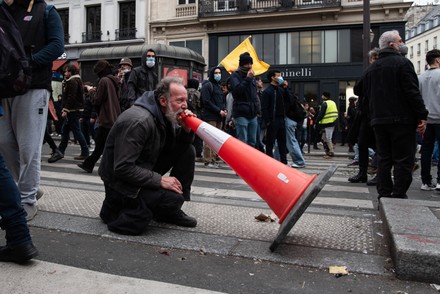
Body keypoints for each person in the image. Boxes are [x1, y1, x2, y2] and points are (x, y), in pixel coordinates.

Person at [98, 77, 197, 236]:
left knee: (188, 151)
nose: (185, 105)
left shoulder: (167, 113)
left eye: (186, 100)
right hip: (119, 183)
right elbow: (122, 168)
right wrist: (159, 180)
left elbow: (177, 147)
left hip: (143, 167)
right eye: (180, 100)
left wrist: (186, 130)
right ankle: (116, 206)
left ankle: (169, 210)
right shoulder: (139, 120)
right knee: (172, 199)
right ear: (163, 100)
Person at [0, 0, 64, 221]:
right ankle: (31, 186)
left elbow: (57, 46)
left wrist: (27, 63)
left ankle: (27, 199)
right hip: (5, 88)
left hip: (33, 86)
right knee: (4, 143)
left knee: (29, 147)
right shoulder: (3, 10)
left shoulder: (45, 10)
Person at [362, 30, 428, 200]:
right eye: (399, 41)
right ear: (392, 44)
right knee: (403, 158)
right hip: (401, 118)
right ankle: (398, 193)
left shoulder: (372, 68)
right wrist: (421, 114)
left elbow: (367, 96)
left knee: (384, 158)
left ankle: (383, 193)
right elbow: (412, 91)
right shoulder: (403, 63)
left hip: (379, 120)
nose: (402, 43)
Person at [77, 60, 121, 174]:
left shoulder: (104, 81)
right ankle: (88, 164)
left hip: (106, 118)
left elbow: (97, 100)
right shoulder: (114, 80)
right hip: (114, 116)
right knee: (102, 146)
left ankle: (106, 167)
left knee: (103, 146)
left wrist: (91, 91)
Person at [348, 48, 379, 184]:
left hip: (376, 112)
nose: (374, 61)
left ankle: (376, 172)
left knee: (377, 144)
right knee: (362, 143)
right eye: (373, 59)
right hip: (369, 112)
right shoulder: (370, 72)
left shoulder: (372, 71)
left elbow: (357, 89)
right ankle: (363, 172)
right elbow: (358, 89)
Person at [49, 64, 90, 163]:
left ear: (71, 72)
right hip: (73, 110)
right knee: (65, 130)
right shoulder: (74, 81)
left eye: (67, 71)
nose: (65, 73)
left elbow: (71, 97)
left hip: (72, 111)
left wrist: (65, 109)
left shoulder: (72, 81)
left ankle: (85, 152)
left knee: (76, 131)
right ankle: (60, 151)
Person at [419, 49, 440, 190]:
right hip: (439, 117)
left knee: (426, 150)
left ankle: (425, 181)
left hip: (426, 120)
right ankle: (439, 181)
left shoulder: (420, 77)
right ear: (437, 59)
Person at [229, 52, 260, 147]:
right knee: (242, 141)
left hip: (253, 113)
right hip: (241, 113)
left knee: (252, 141)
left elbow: (254, 95)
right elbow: (237, 91)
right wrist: (248, 79)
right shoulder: (235, 75)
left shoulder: (252, 77)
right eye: (247, 64)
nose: (249, 66)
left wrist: (257, 109)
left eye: (251, 64)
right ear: (242, 64)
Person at [201, 67, 227, 168]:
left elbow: (221, 100)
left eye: (219, 73)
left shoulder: (218, 86)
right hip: (210, 116)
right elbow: (206, 101)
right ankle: (208, 160)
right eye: (216, 73)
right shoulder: (208, 85)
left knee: (215, 139)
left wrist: (224, 110)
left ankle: (213, 159)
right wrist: (218, 110)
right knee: (209, 139)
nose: (218, 74)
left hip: (218, 117)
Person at [261, 69, 288, 164]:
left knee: (282, 143)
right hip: (273, 120)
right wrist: (268, 121)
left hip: (281, 119)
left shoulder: (281, 90)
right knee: (270, 143)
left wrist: (285, 88)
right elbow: (264, 108)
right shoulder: (267, 91)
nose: (280, 77)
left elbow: (289, 100)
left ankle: (284, 162)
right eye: (278, 75)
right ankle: (270, 163)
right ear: (272, 77)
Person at [314, 92, 338, 159]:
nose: (322, 96)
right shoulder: (333, 102)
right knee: (324, 138)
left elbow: (321, 114)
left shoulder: (325, 104)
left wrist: (316, 122)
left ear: (325, 96)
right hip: (332, 122)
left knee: (327, 138)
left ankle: (331, 152)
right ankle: (327, 152)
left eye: (322, 95)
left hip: (327, 123)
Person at [186, 78, 203, 160]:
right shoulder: (197, 93)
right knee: (197, 136)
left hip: (186, 115)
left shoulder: (184, 92)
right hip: (196, 115)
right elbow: (200, 105)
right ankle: (198, 153)